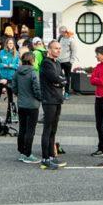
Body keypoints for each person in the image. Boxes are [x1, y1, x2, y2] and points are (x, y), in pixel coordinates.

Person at [38, 40, 68, 169]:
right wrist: (59, 81)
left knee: (53, 130)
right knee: (48, 129)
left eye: (59, 48)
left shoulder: (58, 63)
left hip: (57, 99)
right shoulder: (46, 63)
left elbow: (63, 79)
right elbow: (55, 78)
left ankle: (51, 156)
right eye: (56, 48)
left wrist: (60, 81)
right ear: (49, 50)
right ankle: (45, 159)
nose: (58, 50)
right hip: (49, 100)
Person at [13, 52, 43, 162]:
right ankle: (28, 154)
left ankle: (22, 152)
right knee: (30, 130)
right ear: (32, 60)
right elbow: (37, 88)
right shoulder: (33, 72)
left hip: (21, 104)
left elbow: (14, 87)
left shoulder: (17, 72)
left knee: (22, 128)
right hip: (32, 105)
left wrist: (19, 94)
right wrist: (40, 98)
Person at [0, 39, 21, 139]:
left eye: (12, 43)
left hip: (11, 78)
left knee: (11, 99)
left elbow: (17, 65)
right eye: (9, 43)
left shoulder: (16, 53)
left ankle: (10, 117)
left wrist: (11, 65)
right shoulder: (1, 53)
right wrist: (4, 65)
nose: (10, 45)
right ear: (6, 44)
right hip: (2, 77)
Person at [88, 44, 103, 160]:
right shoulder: (98, 66)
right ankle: (101, 148)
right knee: (99, 124)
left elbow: (102, 81)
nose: (96, 56)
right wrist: (97, 79)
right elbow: (92, 80)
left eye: (98, 54)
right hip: (98, 97)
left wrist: (97, 79)